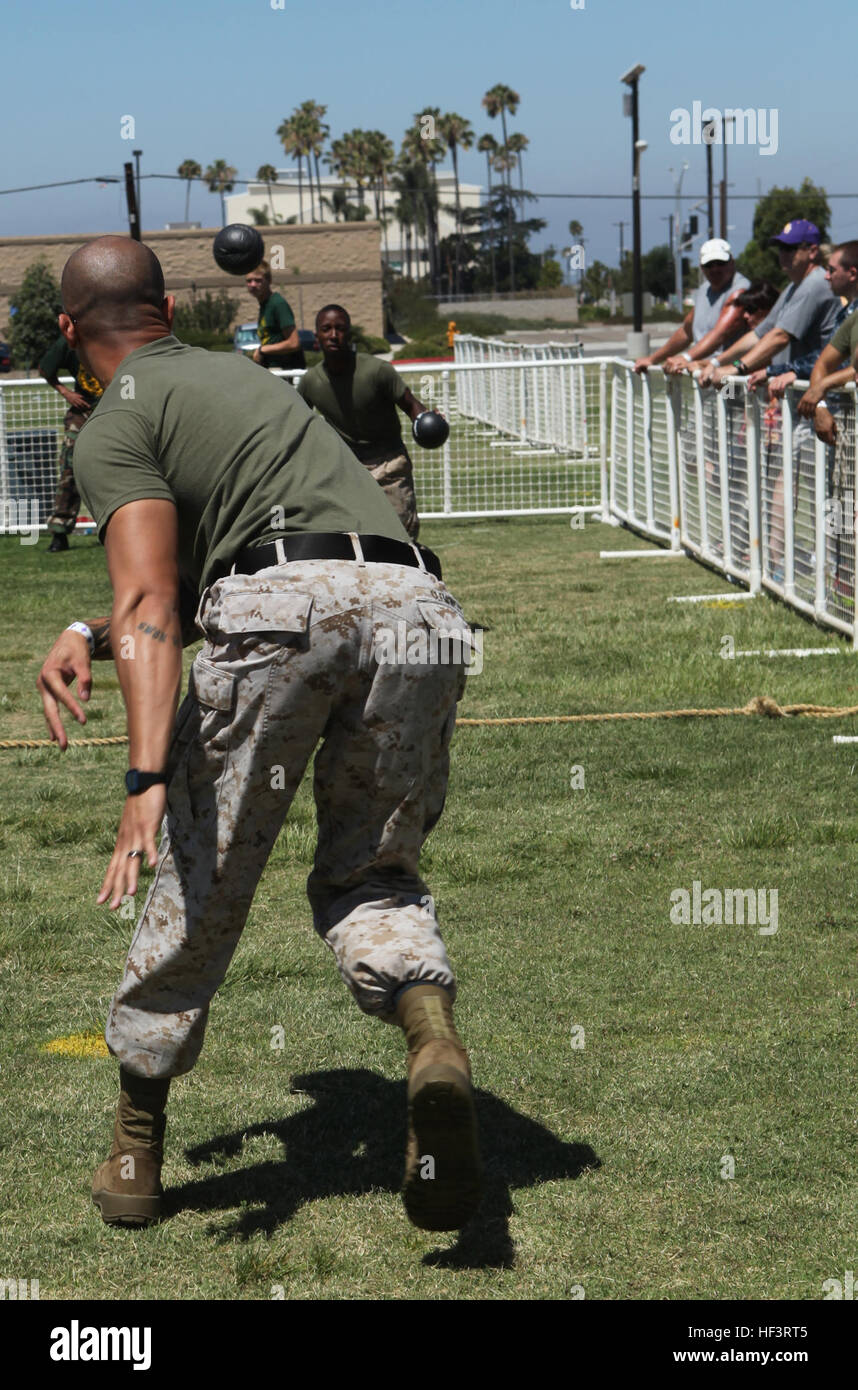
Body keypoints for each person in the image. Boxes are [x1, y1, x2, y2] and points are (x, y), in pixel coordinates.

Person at [35, 236, 482, 1237]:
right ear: (164, 306)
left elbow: (160, 596)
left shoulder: (111, 425)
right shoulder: (238, 377)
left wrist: (146, 773)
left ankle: (137, 1143)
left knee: (203, 871)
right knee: (375, 871)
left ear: (69, 331)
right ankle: (429, 1036)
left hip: (287, 604)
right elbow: (233, 587)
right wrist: (84, 635)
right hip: (418, 605)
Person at [296, 305, 428, 539]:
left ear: (349, 333)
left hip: (390, 465)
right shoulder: (311, 382)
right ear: (317, 336)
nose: (334, 335)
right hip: (347, 470)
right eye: (326, 329)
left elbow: (411, 405)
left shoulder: (378, 371)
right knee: (350, 544)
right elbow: (295, 424)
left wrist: (427, 420)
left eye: (340, 328)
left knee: (401, 543)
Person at [633, 239, 749, 375]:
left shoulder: (740, 290)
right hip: (702, 373)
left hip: (732, 373)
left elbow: (720, 334)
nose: (715, 269)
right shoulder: (704, 290)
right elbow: (686, 332)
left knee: (731, 396)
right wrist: (653, 359)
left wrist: (686, 357)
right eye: (709, 264)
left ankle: (732, 396)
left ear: (732, 262)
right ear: (701, 267)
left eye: (721, 263)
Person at [38, 334, 103, 551]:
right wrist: (66, 392)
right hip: (83, 410)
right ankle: (60, 532)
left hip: (119, 408)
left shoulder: (120, 333)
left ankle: (115, 530)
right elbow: (46, 369)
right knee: (69, 467)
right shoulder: (73, 338)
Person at [245, 261, 305, 372]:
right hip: (270, 369)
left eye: (258, 280)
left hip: (283, 371)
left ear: (269, 280)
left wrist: (263, 350)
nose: (252, 285)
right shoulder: (264, 305)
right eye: (249, 281)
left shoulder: (277, 304)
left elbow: (294, 343)